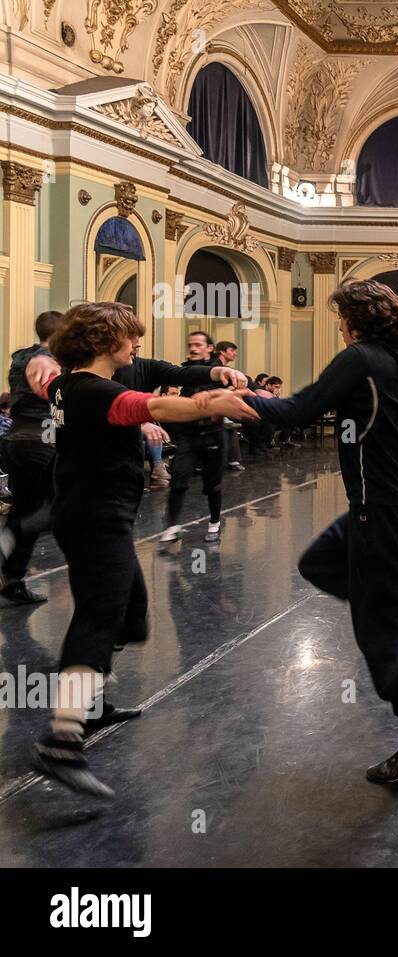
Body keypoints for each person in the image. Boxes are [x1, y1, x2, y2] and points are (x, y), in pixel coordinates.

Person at [30, 302, 258, 797]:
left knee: (132, 616)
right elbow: (150, 407)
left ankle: (90, 701)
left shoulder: (70, 382)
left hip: (96, 516)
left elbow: (167, 374)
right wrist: (208, 404)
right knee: (98, 616)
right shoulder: (94, 390)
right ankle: (61, 738)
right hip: (94, 520)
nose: (136, 344)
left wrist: (211, 372)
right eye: (129, 337)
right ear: (102, 343)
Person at [240, 280, 398, 784]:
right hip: (396, 503)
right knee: (319, 562)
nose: (338, 326)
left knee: (378, 626)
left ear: (355, 321)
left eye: (340, 318)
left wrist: (239, 401)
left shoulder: (361, 359)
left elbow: (299, 410)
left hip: (383, 505)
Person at [0, 310, 65, 605]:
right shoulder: (50, 363)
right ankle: (8, 546)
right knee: (53, 507)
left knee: (24, 509)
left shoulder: (20, 359)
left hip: (15, 441)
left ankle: (13, 581)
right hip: (42, 441)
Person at [160, 332, 235, 546]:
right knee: (178, 480)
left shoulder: (221, 373)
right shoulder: (184, 372)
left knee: (212, 485)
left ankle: (214, 523)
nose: (193, 348)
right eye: (190, 344)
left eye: (198, 345)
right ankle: (172, 527)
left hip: (213, 436)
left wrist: (211, 397)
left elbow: (237, 390)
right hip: (189, 436)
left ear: (209, 348)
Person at [215, 341, 245, 472]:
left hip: (222, 406)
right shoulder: (215, 367)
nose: (235, 353)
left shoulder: (227, 370)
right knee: (229, 426)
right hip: (211, 407)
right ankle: (232, 460)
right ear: (222, 351)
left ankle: (232, 459)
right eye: (232, 350)